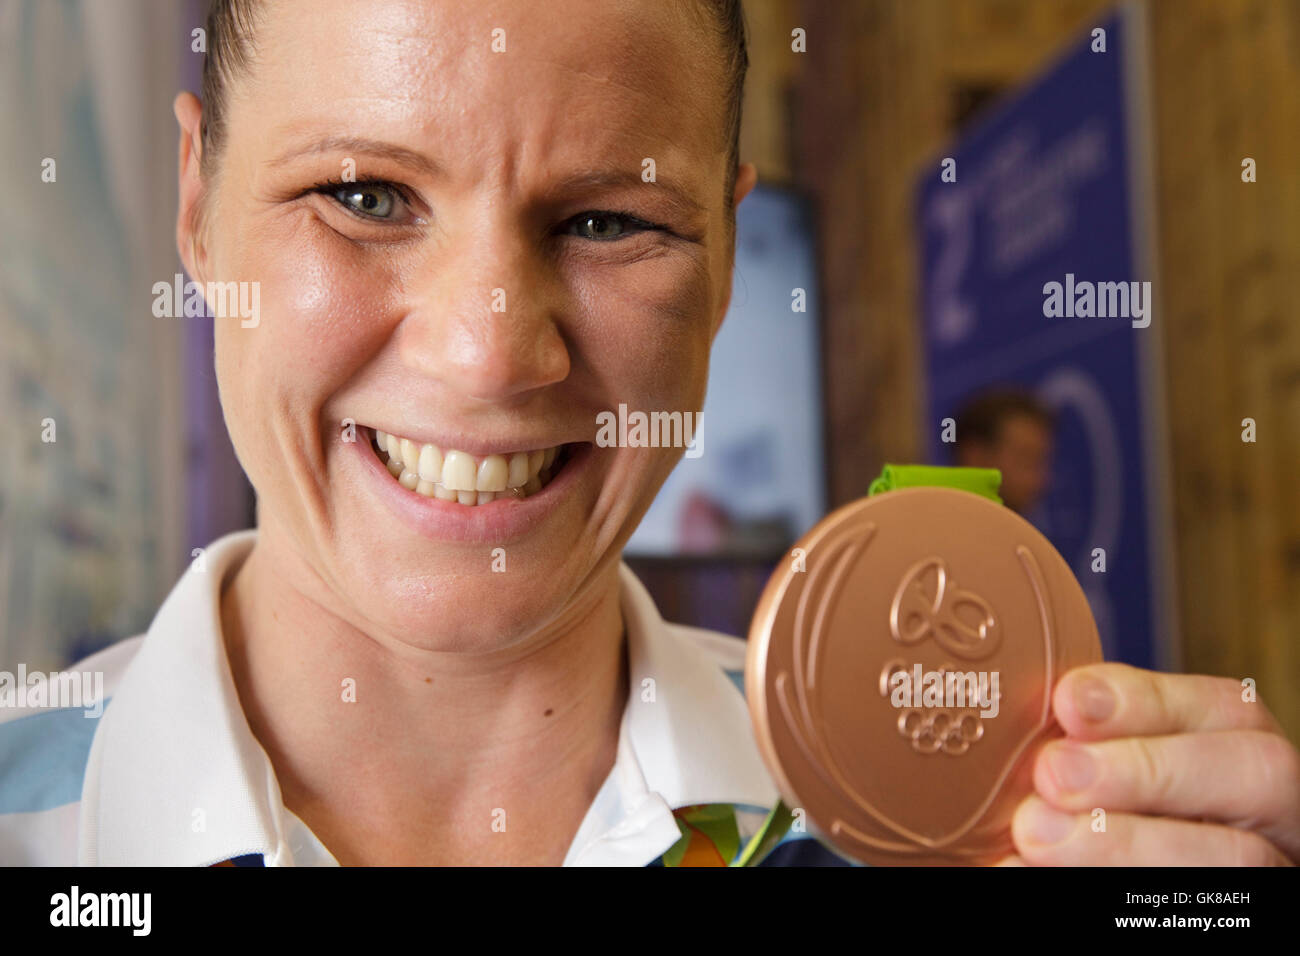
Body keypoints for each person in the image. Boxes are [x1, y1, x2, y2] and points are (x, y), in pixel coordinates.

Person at [2, 0, 1297, 867]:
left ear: (727, 257)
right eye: (362, 195)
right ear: (198, 213)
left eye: (611, 220)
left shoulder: (954, 823)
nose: (491, 351)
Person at [953, 387, 1055, 516]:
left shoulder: (1019, 533)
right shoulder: (933, 529)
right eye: (1026, 459)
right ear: (975, 457)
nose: (1040, 480)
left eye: (1041, 461)